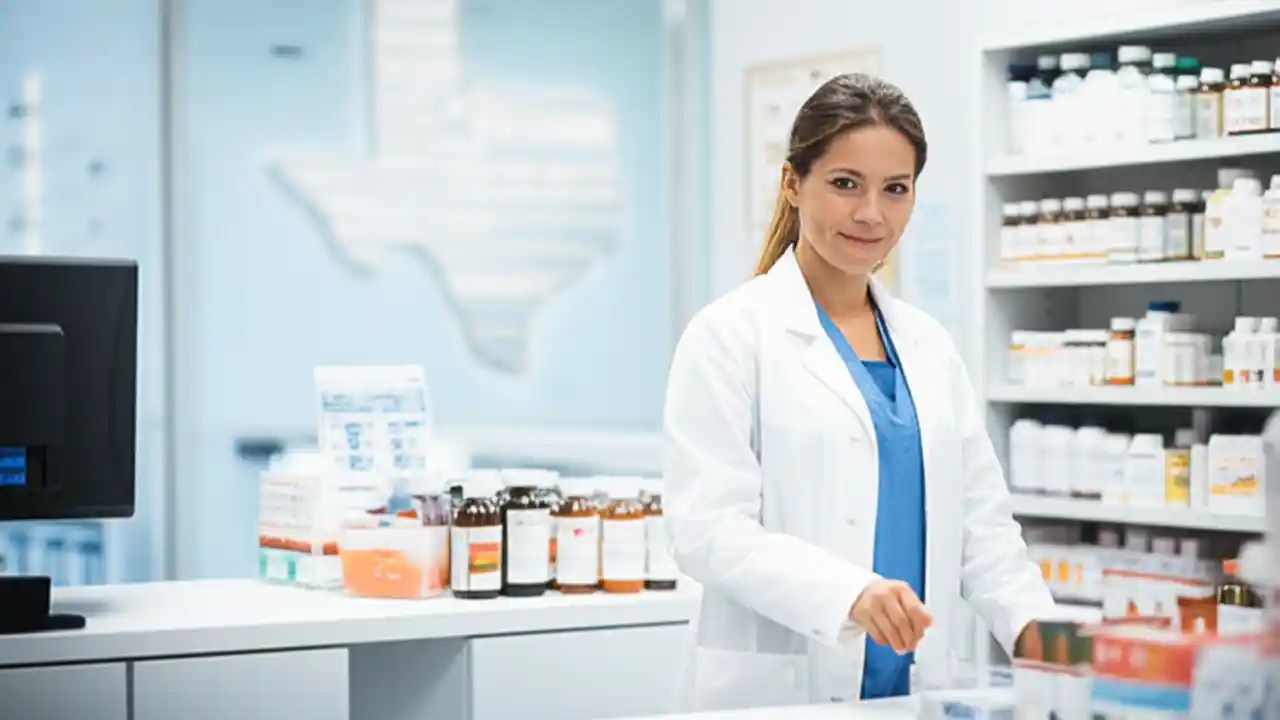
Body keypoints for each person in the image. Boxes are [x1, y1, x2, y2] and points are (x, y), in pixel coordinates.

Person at [662, 73, 1054, 711]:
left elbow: (984, 534)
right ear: (793, 184)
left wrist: (1042, 634)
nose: (872, 213)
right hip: (787, 690)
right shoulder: (730, 335)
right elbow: (706, 529)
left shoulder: (930, 347)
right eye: (846, 184)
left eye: (895, 189)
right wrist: (849, 593)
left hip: (914, 690)